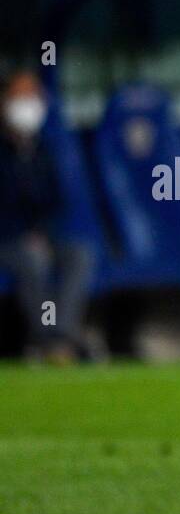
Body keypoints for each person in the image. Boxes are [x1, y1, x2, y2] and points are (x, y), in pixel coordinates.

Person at [0, 70, 96, 361]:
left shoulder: (42, 149)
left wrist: (40, 232)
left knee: (80, 254)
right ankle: (46, 338)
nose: (28, 105)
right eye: (20, 97)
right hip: (7, 237)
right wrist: (24, 235)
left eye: (33, 97)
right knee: (34, 260)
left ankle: (61, 334)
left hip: (40, 235)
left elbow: (55, 201)